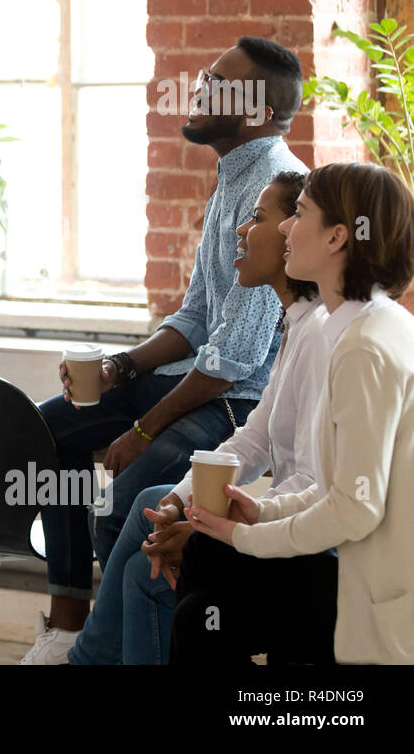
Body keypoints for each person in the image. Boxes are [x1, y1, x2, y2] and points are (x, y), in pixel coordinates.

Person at [23, 36, 308, 664]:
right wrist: (120, 367)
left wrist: (144, 432)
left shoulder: (274, 188)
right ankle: (69, 618)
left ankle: (119, 648)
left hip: (231, 401)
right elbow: (196, 317)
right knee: (48, 429)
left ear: (256, 110)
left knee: (123, 508)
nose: (199, 87)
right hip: (198, 377)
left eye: (217, 81)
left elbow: (233, 357)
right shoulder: (233, 175)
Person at [68, 171, 326, 664]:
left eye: (258, 218)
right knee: (149, 503)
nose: (241, 231)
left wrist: (221, 528)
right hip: (284, 524)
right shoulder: (298, 325)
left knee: (152, 572)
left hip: (312, 549)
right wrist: (177, 500)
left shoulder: (323, 335)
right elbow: (254, 441)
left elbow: (322, 486)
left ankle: (87, 660)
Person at [173, 162, 414, 665]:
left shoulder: (362, 347)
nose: (284, 225)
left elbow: (356, 507)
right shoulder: (363, 326)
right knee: (204, 604)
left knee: (205, 586)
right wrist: (263, 511)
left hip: (375, 598)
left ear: (337, 239)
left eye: (299, 213)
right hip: (358, 573)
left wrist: (249, 536)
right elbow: (338, 486)